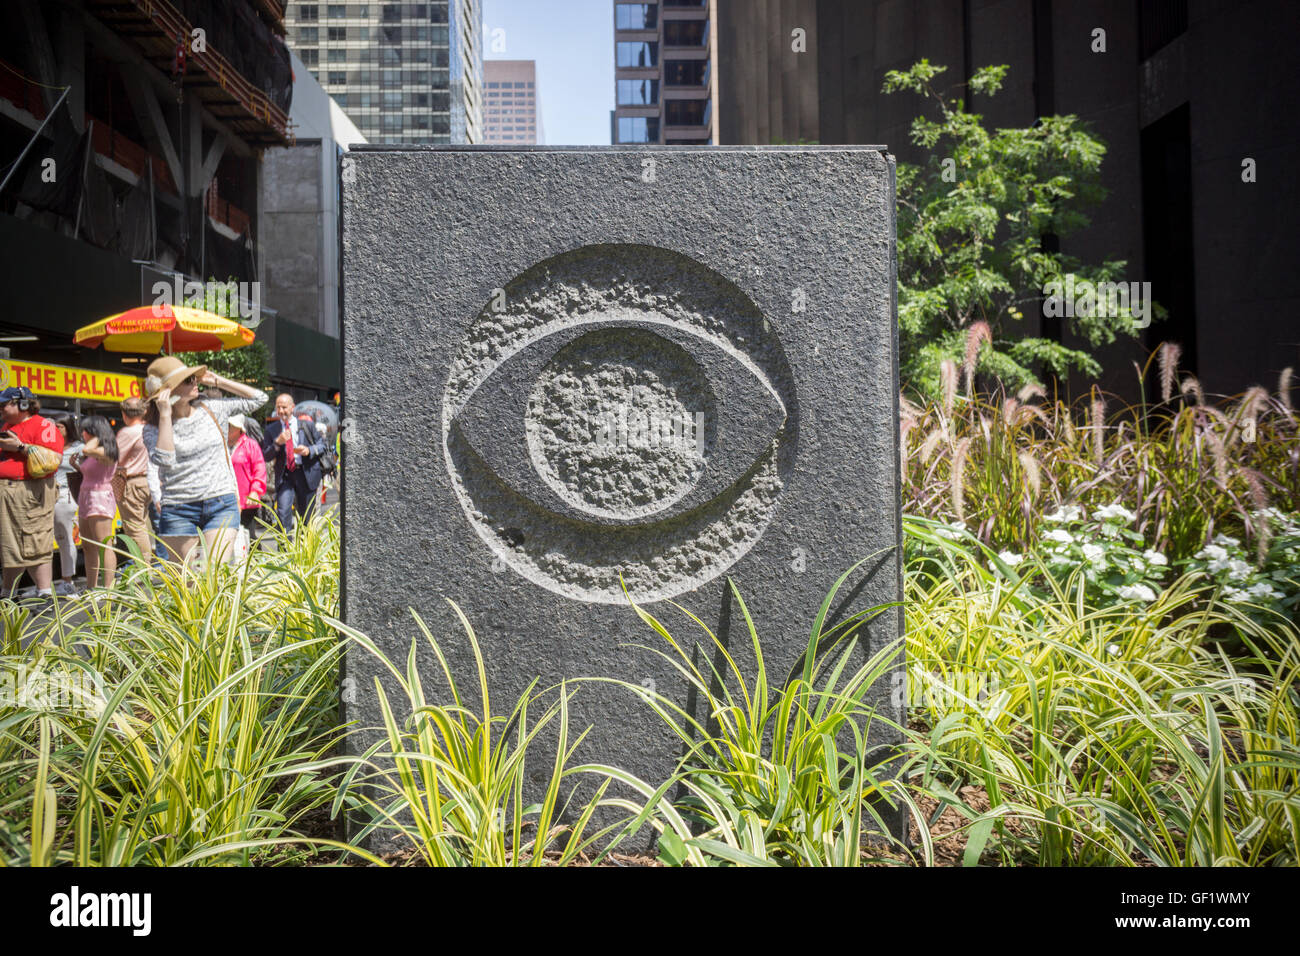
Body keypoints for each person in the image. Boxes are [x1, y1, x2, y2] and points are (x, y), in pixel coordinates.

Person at [141, 356, 268, 565]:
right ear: (168, 391)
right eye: (187, 380)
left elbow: (259, 399)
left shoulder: (212, 408)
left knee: (213, 573)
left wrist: (219, 381)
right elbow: (165, 461)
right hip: (178, 508)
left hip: (220, 502)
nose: (195, 382)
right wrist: (165, 415)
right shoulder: (152, 428)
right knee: (189, 582)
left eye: (194, 378)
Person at [0, 387, 64, 599]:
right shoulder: (9, 425)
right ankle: (8, 594)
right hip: (10, 493)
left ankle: (44, 593)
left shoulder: (43, 425)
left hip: (28, 493)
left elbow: (53, 460)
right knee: (11, 546)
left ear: (23, 405)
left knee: (35, 542)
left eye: (4, 404)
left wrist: (20, 448)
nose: (1, 409)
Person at [261, 393, 327, 535]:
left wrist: (309, 450)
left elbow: (322, 445)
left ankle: (305, 551)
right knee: (283, 513)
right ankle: (284, 551)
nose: (281, 411)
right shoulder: (271, 430)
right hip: (285, 476)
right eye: (278, 407)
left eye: (284, 407)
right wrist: (277, 443)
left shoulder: (307, 425)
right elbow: (266, 455)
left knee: (306, 517)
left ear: (292, 407)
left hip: (305, 474)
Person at [72, 415, 119, 590]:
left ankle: (108, 588)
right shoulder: (95, 450)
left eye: (85, 430)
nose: (82, 434)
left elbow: (86, 450)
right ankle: (91, 586)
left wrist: (98, 435)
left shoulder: (105, 450)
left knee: (103, 544)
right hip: (86, 497)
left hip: (99, 497)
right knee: (87, 545)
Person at [114, 397, 159, 564]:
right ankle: (144, 563)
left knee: (134, 528)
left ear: (124, 414)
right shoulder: (150, 429)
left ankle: (142, 566)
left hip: (131, 482)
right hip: (147, 481)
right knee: (141, 525)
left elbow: (115, 459)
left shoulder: (127, 432)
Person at [52, 418, 82, 595]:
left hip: (66, 496)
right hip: (49, 495)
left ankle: (68, 582)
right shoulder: (51, 445)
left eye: (60, 426)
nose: (56, 429)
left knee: (65, 539)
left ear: (68, 428)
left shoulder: (78, 448)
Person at [227, 414, 267, 542]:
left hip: (246, 498)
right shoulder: (220, 444)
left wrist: (255, 490)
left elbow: (259, 468)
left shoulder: (250, 445)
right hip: (226, 497)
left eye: (231, 426)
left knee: (249, 535)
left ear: (239, 428)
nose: (228, 428)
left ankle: (256, 560)